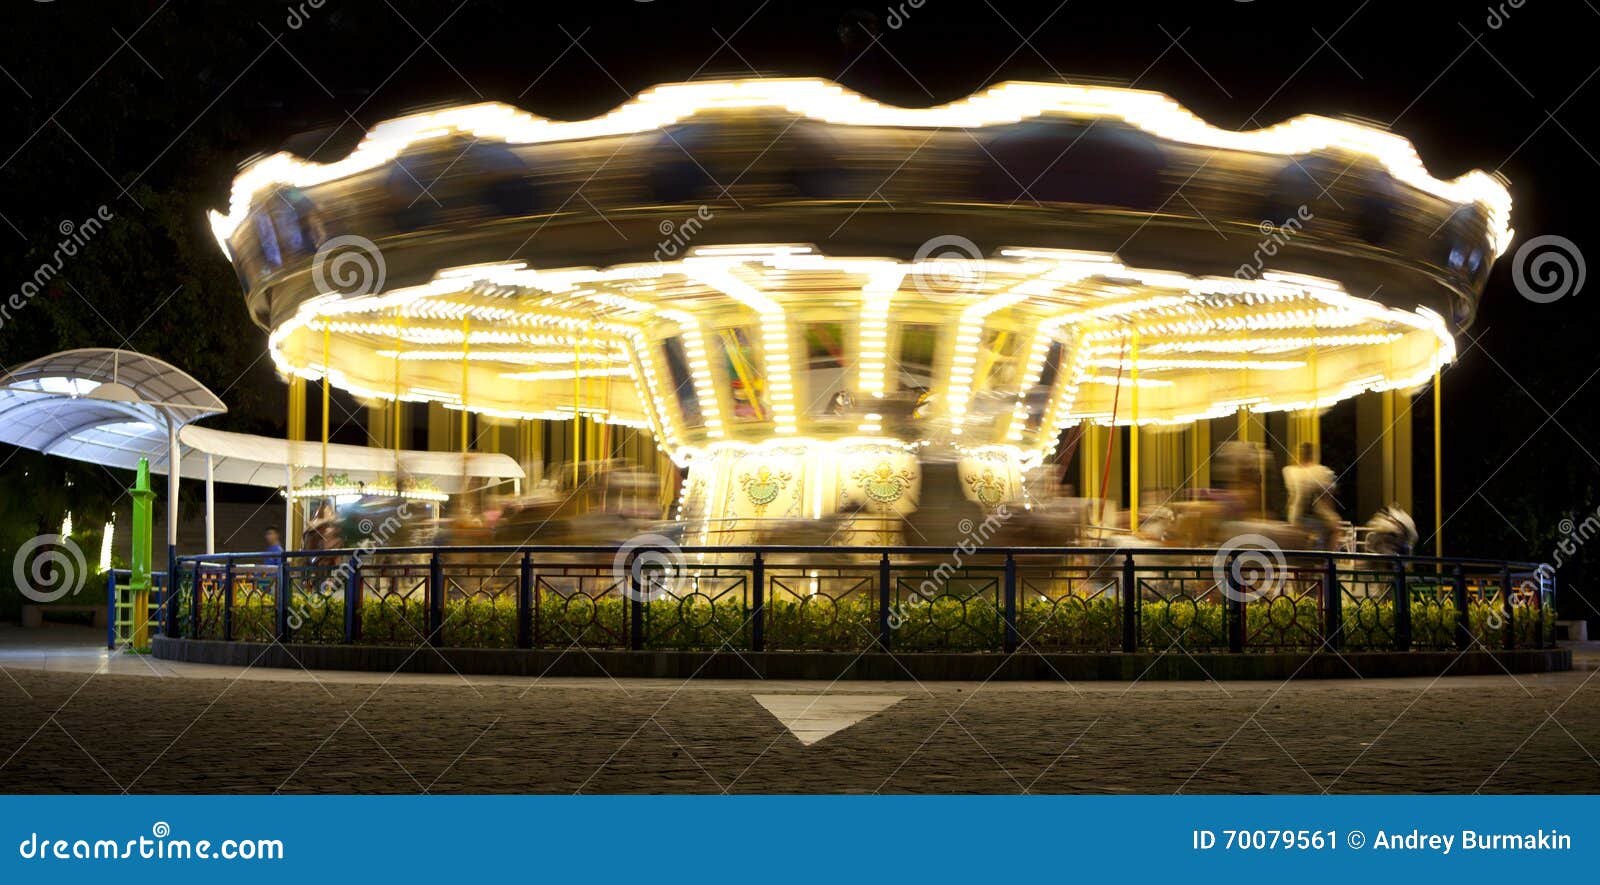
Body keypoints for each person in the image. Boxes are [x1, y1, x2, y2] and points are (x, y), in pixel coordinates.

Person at [1282, 442, 1340, 548]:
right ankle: (1330, 559)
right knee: (1336, 530)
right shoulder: (1322, 471)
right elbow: (1327, 498)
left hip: (1296, 516)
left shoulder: (1290, 471)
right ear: (1312, 455)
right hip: (1319, 516)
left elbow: (1291, 498)